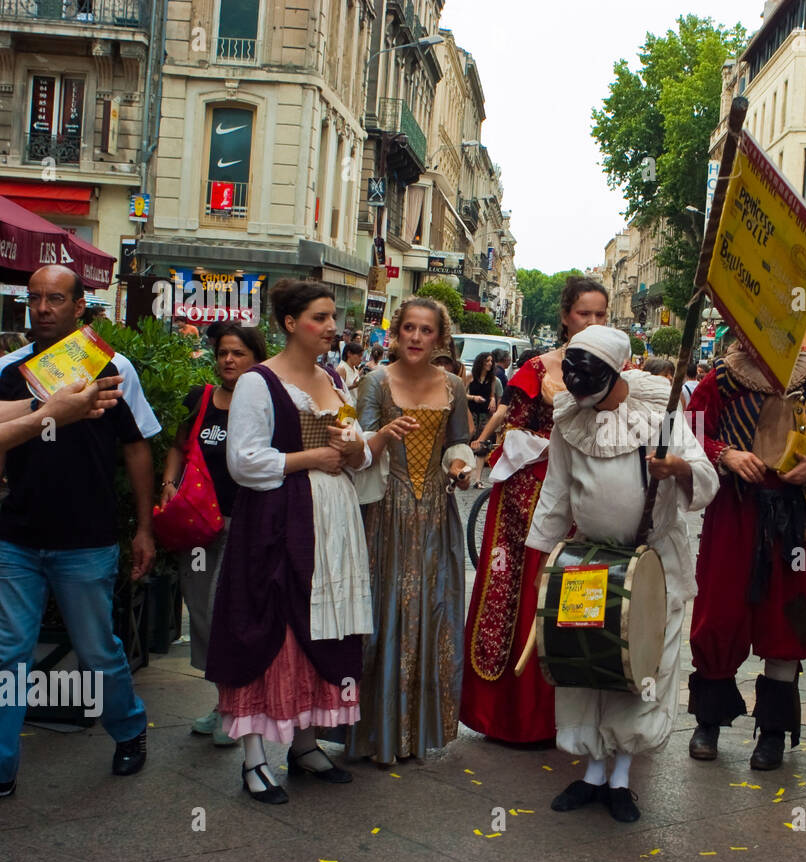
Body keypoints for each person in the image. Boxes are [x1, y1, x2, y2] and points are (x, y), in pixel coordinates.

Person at [528, 326, 718, 822]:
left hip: (652, 566)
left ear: (615, 373)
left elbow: (708, 480)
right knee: (587, 661)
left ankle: (620, 778)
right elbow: (556, 491)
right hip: (587, 566)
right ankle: (592, 772)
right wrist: (541, 562)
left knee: (641, 667)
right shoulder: (569, 419)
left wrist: (676, 467)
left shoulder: (664, 416)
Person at [208, 279, 373, 805]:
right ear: (288, 323)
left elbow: (357, 451)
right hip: (277, 523)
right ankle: (254, 758)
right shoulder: (261, 382)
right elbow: (244, 461)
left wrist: (356, 451)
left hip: (334, 522)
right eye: (320, 318)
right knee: (270, 626)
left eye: (331, 318)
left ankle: (305, 745)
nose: (331, 327)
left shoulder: (332, 379)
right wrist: (312, 459)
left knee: (322, 630)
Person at [0, 264, 160, 795]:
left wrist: (144, 528)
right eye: (36, 299)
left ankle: (130, 730)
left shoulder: (114, 367)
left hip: (87, 539)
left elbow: (137, 447)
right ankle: (3, 766)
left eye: (55, 300)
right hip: (16, 537)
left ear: (78, 306)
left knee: (97, 651)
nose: (43, 309)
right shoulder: (9, 371)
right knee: (9, 653)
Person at [686, 334, 806, 770]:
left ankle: (774, 734)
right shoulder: (720, 379)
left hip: (797, 520)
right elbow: (685, 435)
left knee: (789, 618)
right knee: (718, 613)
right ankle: (708, 720)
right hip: (734, 513)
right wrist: (724, 455)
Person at [460, 276, 610, 744]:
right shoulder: (537, 369)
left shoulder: (619, 375)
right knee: (527, 593)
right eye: (584, 313)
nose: (592, 322)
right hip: (529, 501)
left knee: (579, 600)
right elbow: (515, 437)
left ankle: (579, 716)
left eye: (600, 314)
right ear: (566, 317)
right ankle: (520, 717)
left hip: (593, 502)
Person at [346, 298, 473, 766]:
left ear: (438, 338)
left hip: (437, 512)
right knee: (383, 613)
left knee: (431, 612)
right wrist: (383, 435)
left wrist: (459, 466)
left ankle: (415, 732)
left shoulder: (454, 386)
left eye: (426, 330)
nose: (417, 337)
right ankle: (374, 732)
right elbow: (355, 451)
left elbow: (458, 441)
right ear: (396, 333)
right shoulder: (375, 382)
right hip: (386, 511)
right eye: (409, 329)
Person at [163, 321, 266, 749]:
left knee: (231, 613)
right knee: (200, 610)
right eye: (223, 352)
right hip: (200, 523)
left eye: (238, 353)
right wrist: (169, 483)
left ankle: (236, 706)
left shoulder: (265, 406)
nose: (228, 359)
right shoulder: (200, 399)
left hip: (246, 526)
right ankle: (223, 699)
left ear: (256, 360)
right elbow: (178, 445)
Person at [467, 352, 499, 489]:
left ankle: (478, 479)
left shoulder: (492, 379)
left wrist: (492, 400)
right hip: (471, 413)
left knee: (482, 445)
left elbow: (492, 394)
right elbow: (461, 393)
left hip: (485, 414)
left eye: (491, 361)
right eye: (487, 361)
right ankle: (465, 474)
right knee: (468, 442)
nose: (490, 363)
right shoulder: (470, 377)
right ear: (481, 362)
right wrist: (473, 398)